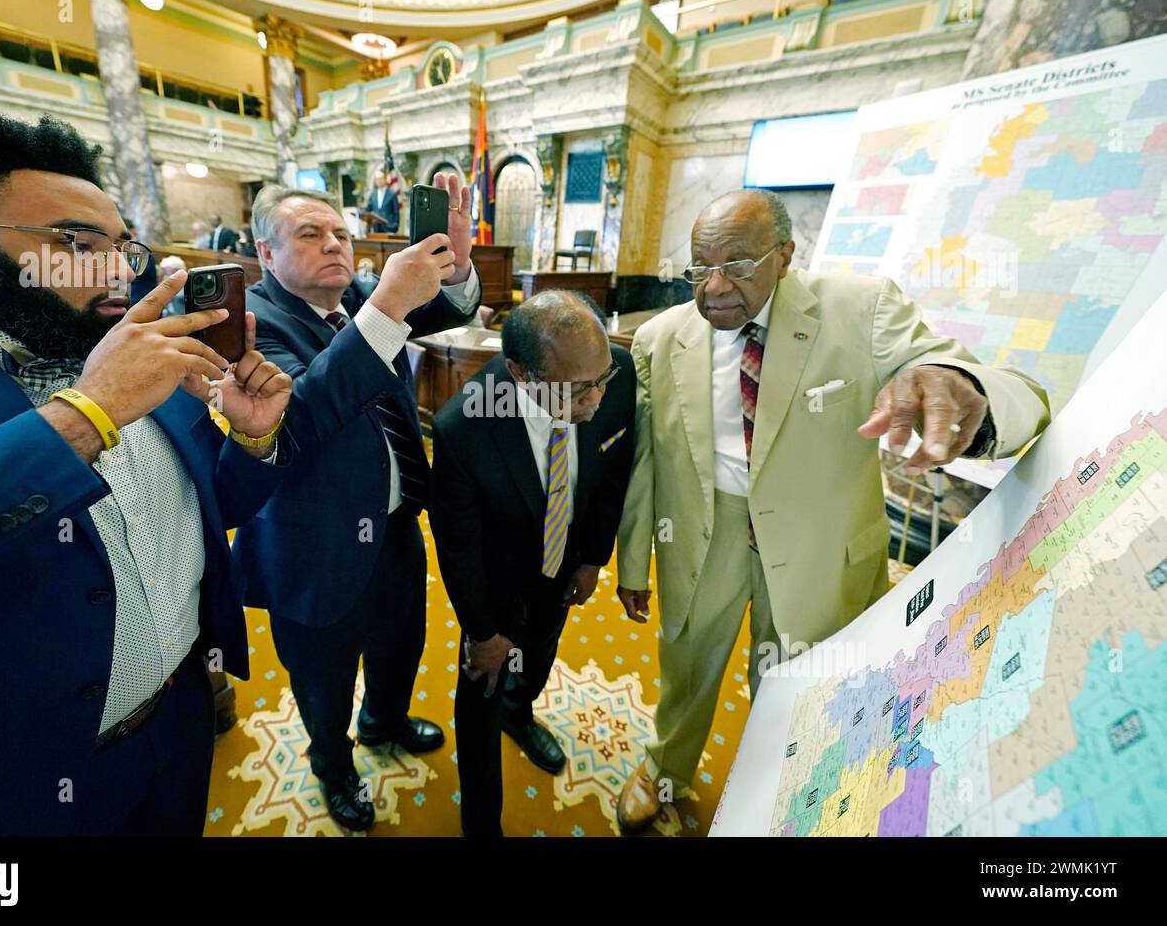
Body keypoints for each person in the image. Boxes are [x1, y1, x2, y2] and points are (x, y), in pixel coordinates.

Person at [0, 97, 301, 835]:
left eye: (123, 246)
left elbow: (206, 508)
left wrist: (253, 441)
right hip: (6, 789)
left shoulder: (134, 347)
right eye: (74, 242)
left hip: (178, 723)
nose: (116, 273)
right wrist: (84, 415)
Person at [613, 188, 1051, 835]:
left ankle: (780, 795)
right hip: (705, 536)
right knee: (687, 667)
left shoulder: (861, 308)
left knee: (802, 682)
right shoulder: (657, 338)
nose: (714, 287)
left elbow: (980, 378)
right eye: (699, 267)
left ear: (785, 255)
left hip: (818, 544)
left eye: (736, 264)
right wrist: (633, 565)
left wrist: (968, 392)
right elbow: (646, 461)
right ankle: (665, 769)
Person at [233, 173, 480, 832]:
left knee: (401, 641)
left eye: (341, 233)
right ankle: (332, 767)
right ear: (265, 253)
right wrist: (389, 305)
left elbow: (449, 310)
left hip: (396, 523)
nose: (334, 245)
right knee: (324, 676)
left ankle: (385, 722)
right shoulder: (250, 325)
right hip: (312, 546)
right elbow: (304, 414)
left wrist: (454, 264)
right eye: (310, 235)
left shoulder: (362, 302)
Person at [430, 291, 636, 837]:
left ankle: (520, 716)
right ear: (522, 374)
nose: (595, 402)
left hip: (562, 567)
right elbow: (457, 546)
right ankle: (481, 820)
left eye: (602, 382)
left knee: (541, 650)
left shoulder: (611, 371)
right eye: (575, 392)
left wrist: (593, 558)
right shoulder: (463, 427)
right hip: (496, 590)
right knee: (482, 695)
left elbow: (614, 471)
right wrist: (482, 632)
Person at [364, 168, 399, 234]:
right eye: (377, 179)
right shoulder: (373, 194)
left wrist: (394, 227)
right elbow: (368, 209)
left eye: (380, 178)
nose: (379, 181)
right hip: (376, 228)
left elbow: (396, 213)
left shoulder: (392, 194)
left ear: (385, 179)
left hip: (389, 228)